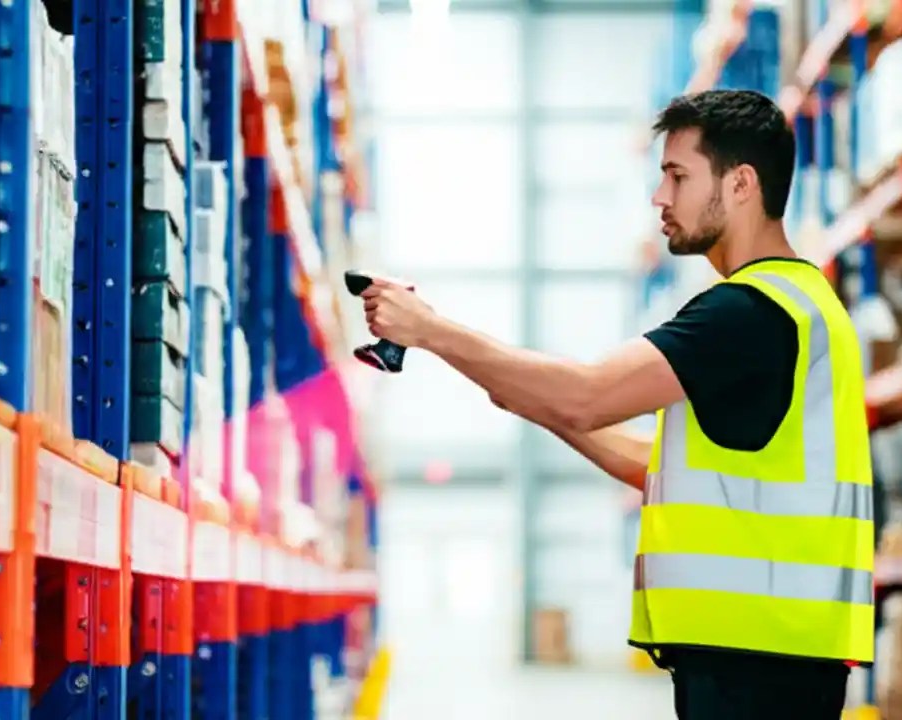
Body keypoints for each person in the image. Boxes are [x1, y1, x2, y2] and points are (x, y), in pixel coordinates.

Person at [356, 88, 874, 720]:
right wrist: (532, 400)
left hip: (758, 659)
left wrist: (430, 330)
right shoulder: (800, 303)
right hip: (769, 655)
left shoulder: (751, 311)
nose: (660, 197)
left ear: (741, 184)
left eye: (677, 176)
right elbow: (656, 466)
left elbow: (590, 395)